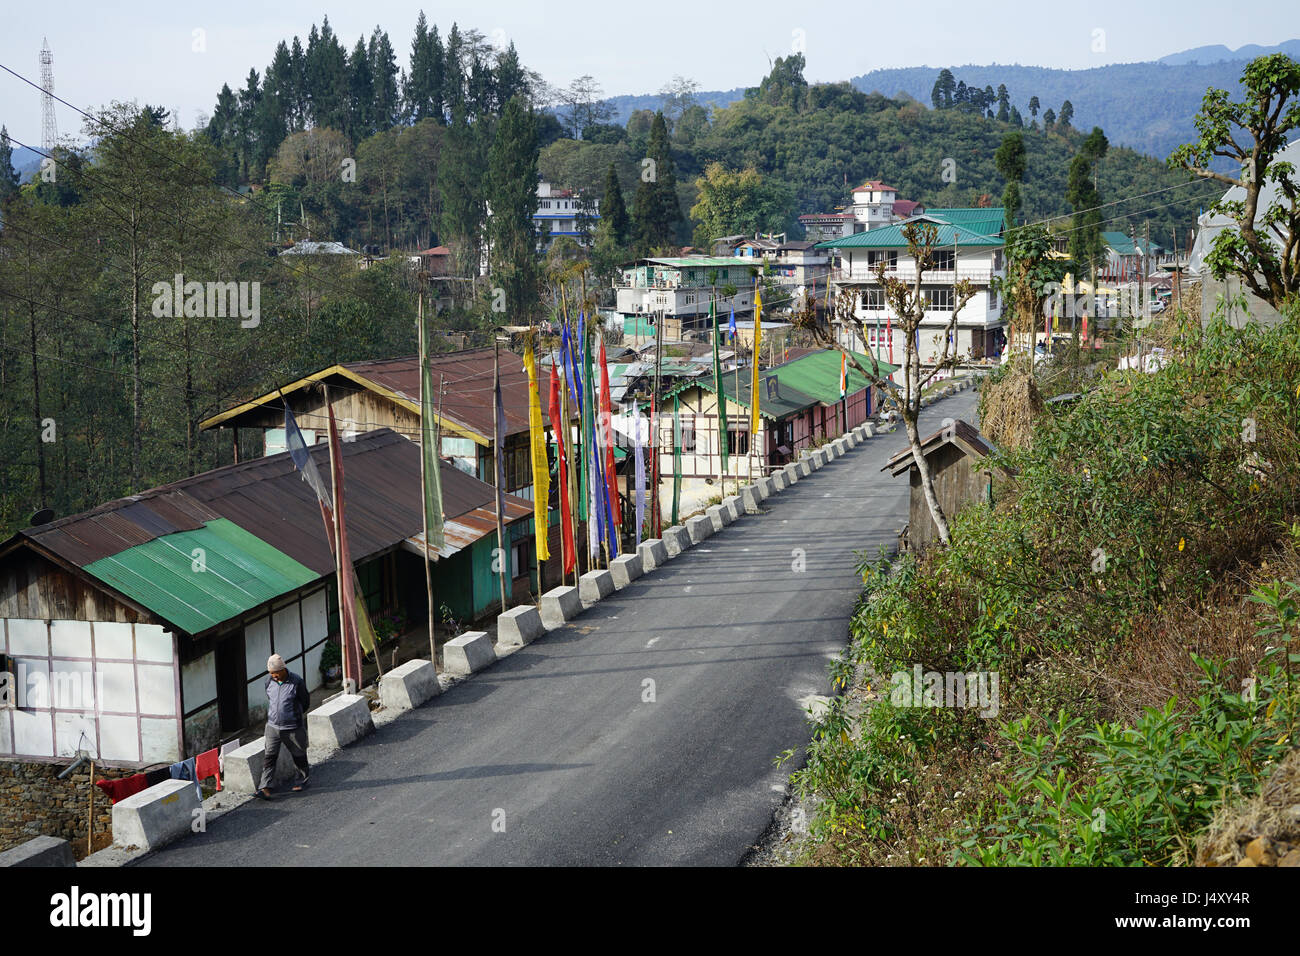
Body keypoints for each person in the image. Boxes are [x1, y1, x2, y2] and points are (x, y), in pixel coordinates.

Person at [257, 654, 310, 799]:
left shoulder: (296, 681)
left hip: (293, 726)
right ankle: (265, 787)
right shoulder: (269, 682)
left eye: (276, 673)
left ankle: (301, 780)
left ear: (283, 669)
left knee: (298, 754)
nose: (274, 676)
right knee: (269, 757)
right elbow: (271, 699)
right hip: (273, 726)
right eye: (271, 673)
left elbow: (305, 702)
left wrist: (294, 715)